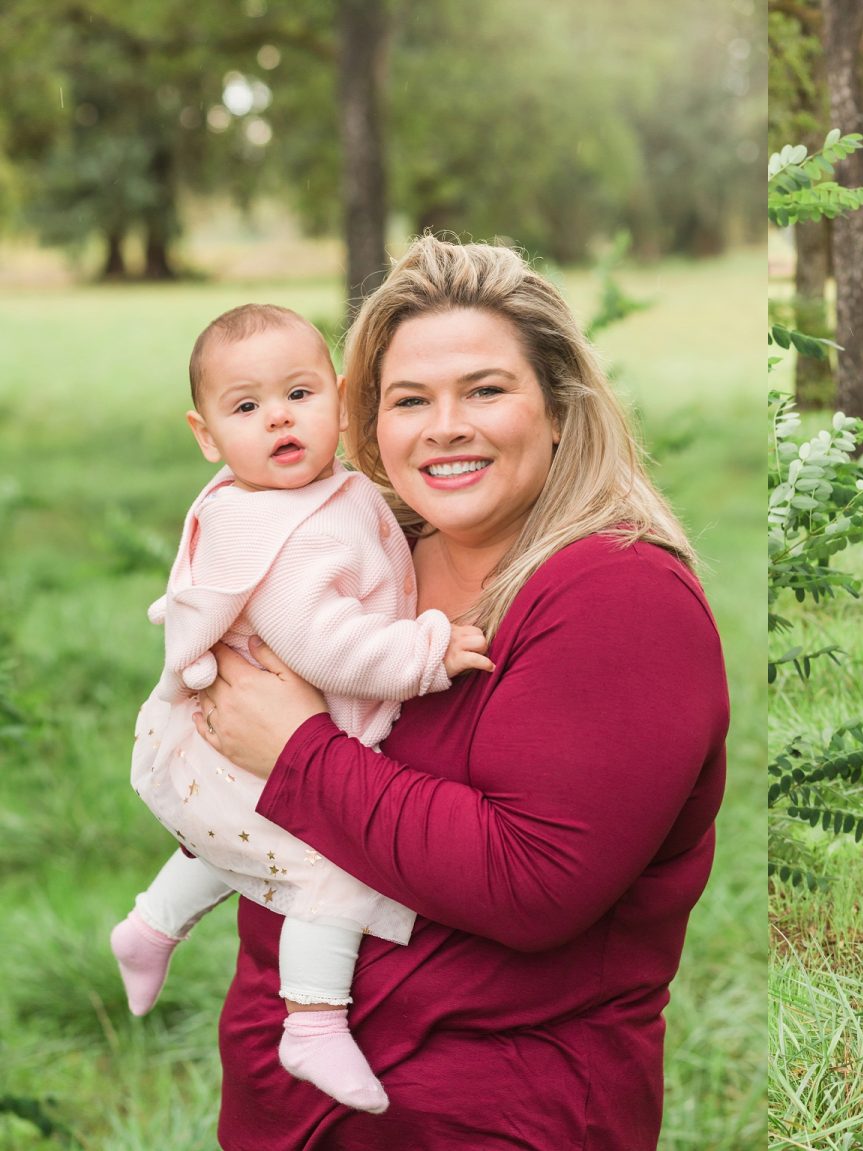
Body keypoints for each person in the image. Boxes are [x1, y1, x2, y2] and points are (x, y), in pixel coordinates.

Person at [186, 235, 728, 1151]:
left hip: (493, 1106)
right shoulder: (362, 566)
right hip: (288, 1089)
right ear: (370, 423)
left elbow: (535, 882)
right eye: (409, 399)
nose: (445, 425)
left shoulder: (618, 594)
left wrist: (295, 752)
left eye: (485, 389)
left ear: (559, 409)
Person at [111, 304, 494, 1114]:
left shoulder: (313, 492)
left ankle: (148, 928)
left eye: (299, 392)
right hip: (251, 739)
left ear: (341, 398)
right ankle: (313, 1019)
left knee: (239, 842)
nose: (278, 416)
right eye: (246, 407)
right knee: (328, 861)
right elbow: (326, 645)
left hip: (237, 744)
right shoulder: (279, 533)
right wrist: (428, 650)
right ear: (207, 434)